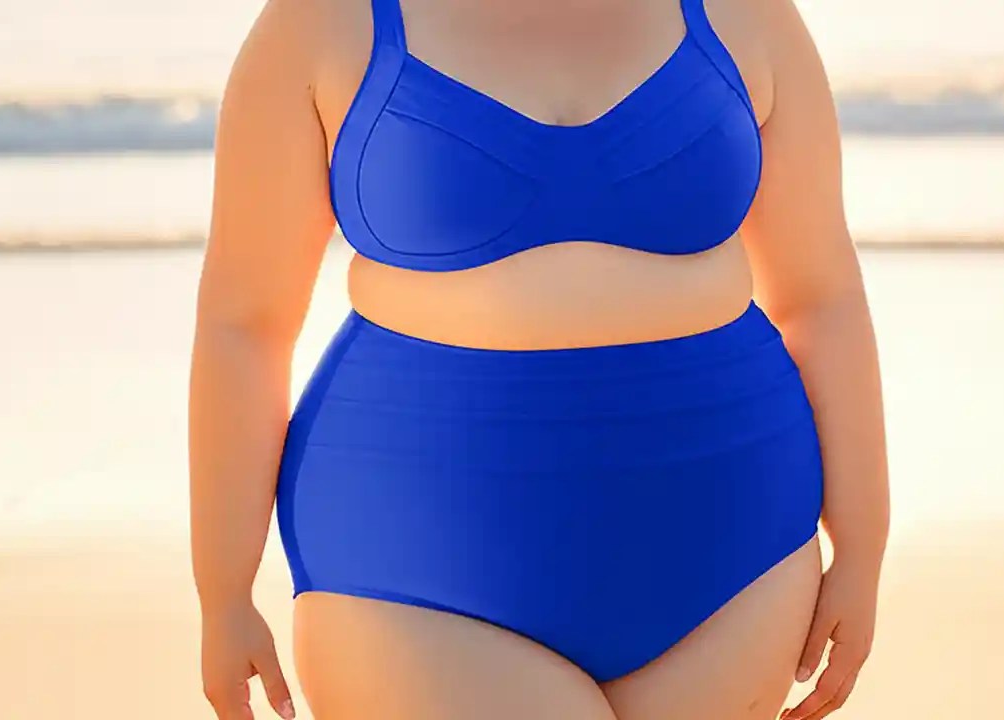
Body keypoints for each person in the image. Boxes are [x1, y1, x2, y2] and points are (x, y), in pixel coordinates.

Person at [189, 0, 889, 717]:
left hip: (736, 548)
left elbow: (821, 296)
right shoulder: (324, 21)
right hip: (419, 558)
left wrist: (863, 546)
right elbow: (245, 322)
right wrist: (223, 588)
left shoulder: (746, 14)